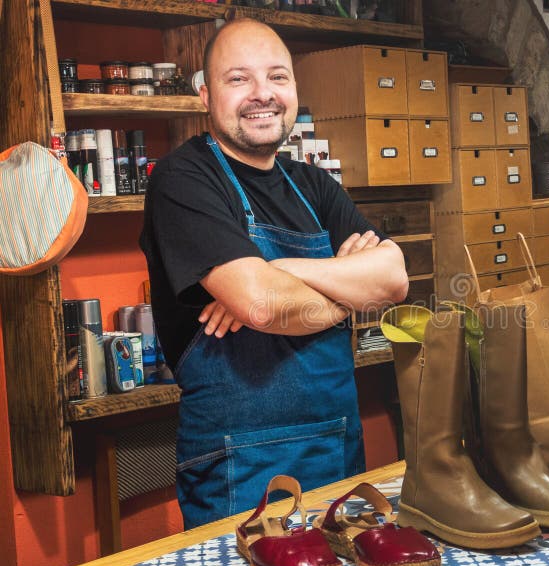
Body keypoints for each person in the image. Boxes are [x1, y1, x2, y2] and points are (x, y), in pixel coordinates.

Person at [139, 17, 409, 529]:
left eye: (277, 77)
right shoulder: (183, 178)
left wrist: (278, 268)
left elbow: (393, 279)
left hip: (336, 447)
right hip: (238, 466)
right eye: (238, 78)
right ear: (206, 95)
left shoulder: (314, 185)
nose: (262, 94)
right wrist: (346, 285)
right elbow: (261, 305)